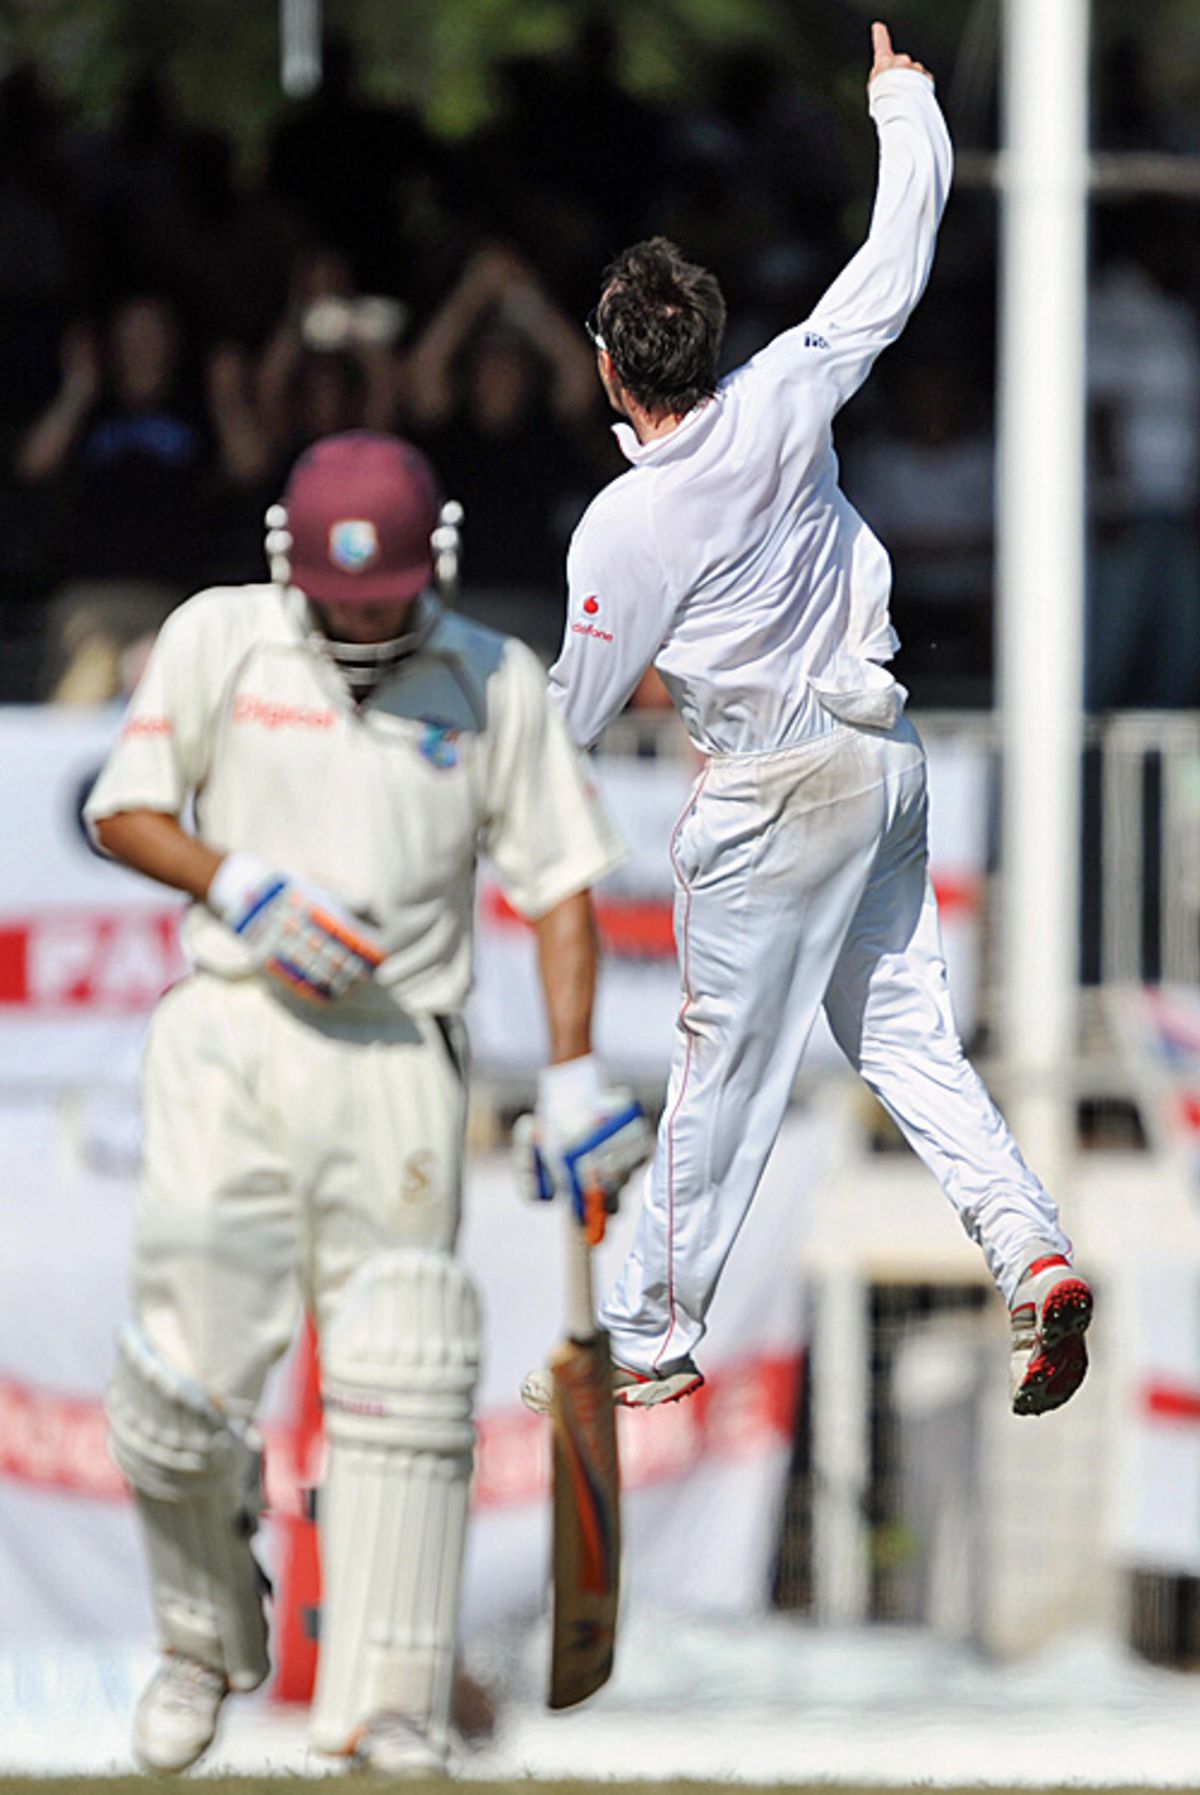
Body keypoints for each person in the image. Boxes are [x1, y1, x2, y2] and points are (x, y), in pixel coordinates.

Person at [526, 23, 1094, 1422]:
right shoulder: (787, 386)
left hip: (771, 792)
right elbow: (897, 255)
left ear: (609, 369)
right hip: (881, 758)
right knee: (903, 1039)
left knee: (722, 1068)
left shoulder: (624, 524)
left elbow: (570, 717)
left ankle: (646, 1330)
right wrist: (903, 105)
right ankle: (1028, 1247)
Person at [84, 430, 649, 1775]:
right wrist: (238, 886)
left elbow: (561, 883)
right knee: (177, 1378)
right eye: (339, 602)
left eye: (381, 600)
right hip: (231, 1037)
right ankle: (200, 1642)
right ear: (288, 565)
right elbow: (124, 810)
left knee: (406, 1368)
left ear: (433, 566)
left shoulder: (491, 677)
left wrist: (573, 1073)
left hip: (399, 1049)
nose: (359, 624)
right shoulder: (220, 637)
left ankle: (387, 1699)